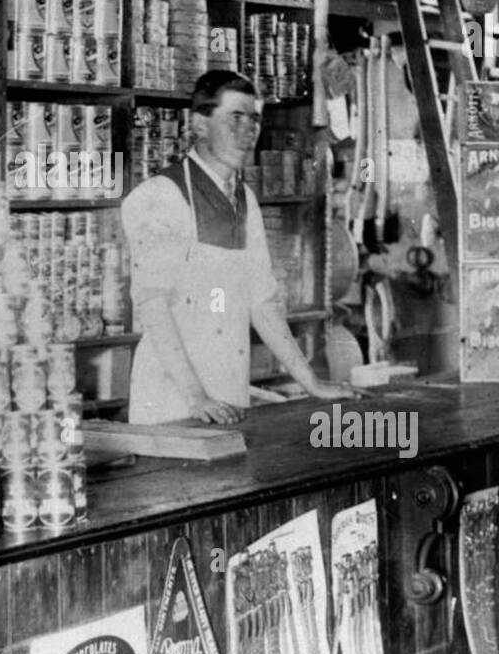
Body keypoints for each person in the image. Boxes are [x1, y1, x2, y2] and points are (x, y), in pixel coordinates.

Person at [122, 70, 358, 426]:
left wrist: (311, 383)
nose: (248, 130)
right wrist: (195, 396)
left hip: (227, 395)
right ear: (200, 124)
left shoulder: (244, 199)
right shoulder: (160, 196)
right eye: (235, 117)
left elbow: (262, 303)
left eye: (254, 119)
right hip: (171, 401)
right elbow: (153, 306)